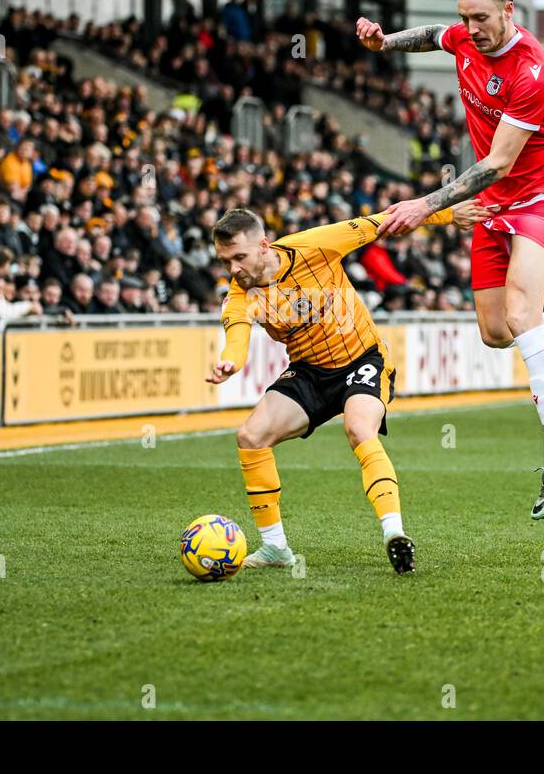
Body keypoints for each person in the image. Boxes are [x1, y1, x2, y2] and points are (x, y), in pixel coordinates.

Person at [357, 0, 544, 520]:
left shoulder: (532, 71)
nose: (472, 27)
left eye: (483, 17)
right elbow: (431, 36)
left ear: (510, 11)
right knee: (496, 332)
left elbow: (497, 163)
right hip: (493, 203)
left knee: (520, 310)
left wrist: (427, 204)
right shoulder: (465, 33)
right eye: (466, 16)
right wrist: (383, 43)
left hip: (538, 196)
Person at [207, 203, 487, 575]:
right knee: (250, 436)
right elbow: (237, 334)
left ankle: (394, 534)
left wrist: (447, 215)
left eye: (239, 257)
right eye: (225, 261)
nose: (233, 269)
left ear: (264, 245)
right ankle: (276, 548)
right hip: (309, 372)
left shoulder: (314, 245)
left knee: (358, 429)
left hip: (362, 359)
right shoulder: (240, 293)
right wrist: (231, 361)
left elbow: (382, 222)